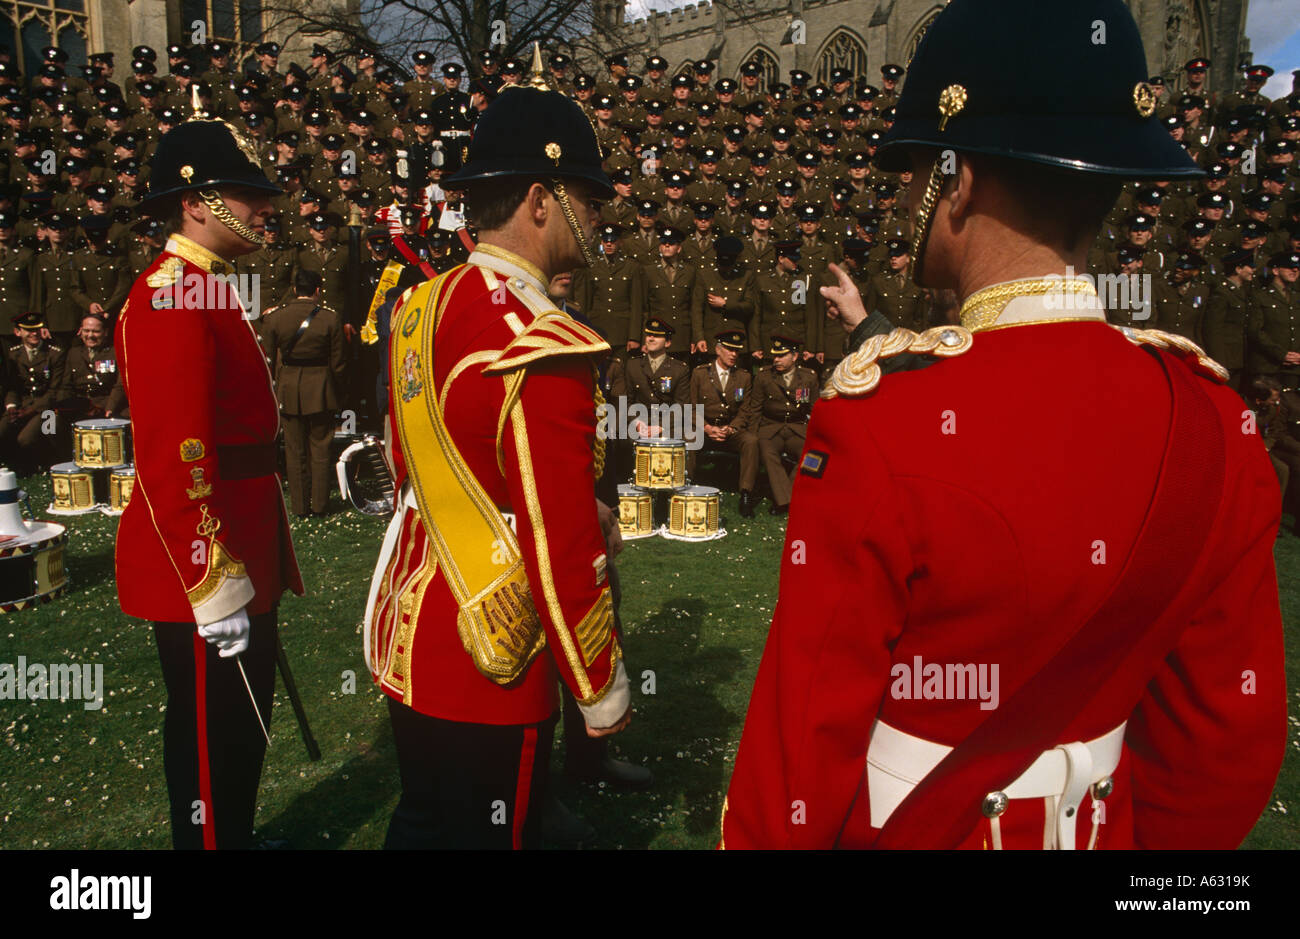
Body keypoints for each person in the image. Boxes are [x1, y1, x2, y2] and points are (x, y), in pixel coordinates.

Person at [722, 0, 1285, 849]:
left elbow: (798, 762)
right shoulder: (1214, 417)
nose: (902, 192)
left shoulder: (883, 420)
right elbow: (1221, 748)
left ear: (960, 180)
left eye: (913, 170)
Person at [363, 71, 633, 850]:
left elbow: (412, 459)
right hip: (496, 648)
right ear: (541, 200)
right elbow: (558, 539)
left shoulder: (421, 304)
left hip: (413, 625)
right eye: (587, 198)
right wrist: (599, 684)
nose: (596, 216)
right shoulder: (542, 342)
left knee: (420, 823)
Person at [114, 111, 304, 849]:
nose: (264, 207)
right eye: (245, 192)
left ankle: (234, 835)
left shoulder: (208, 286)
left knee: (243, 722)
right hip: (203, 557)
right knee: (208, 729)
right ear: (196, 201)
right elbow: (176, 454)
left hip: (241, 536)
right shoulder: (170, 292)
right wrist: (212, 581)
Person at [263, 269, 347, 517]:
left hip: (289, 387)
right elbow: (339, 363)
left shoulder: (275, 318)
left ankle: (300, 507)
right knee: (320, 449)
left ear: (294, 288)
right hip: (320, 387)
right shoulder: (330, 319)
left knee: (294, 450)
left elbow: (267, 359)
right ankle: (320, 505)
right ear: (318, 291)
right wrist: (338, 391)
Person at [739, 334, 818, 515]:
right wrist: (752, 434)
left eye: (781, 356)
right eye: (775, 356)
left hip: (797, 427)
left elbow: (815, 410)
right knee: (768, 454)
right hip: (770, 428)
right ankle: (786, 501)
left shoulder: (809, 377)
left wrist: (816, 435)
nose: (776, 360)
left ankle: (784, 497)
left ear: (795, 356)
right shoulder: (764, 376)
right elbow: (755, 409)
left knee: (811, 455)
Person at [688, 329, 759, 514]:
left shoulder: (744, 376)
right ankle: (686, 487)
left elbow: (745, 409)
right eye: (729, 349)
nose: (734, 354)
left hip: (730, 428)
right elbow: (692, 407)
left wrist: (732, 428)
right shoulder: (700, 373)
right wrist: (706, 427)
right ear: (718, 350)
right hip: (705, 427)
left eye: (737, 350)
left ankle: (745, 493)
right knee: (688, 438)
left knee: (751, 441)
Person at [1, 312, 65, 475]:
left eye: (37, 329)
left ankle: (46, 464)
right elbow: (12, 387)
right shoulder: (13, 354)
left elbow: (54, 392)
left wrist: (29, 411)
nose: (34, 334)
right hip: (22, 405)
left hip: (47, 408)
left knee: (28, 438)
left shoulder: (54, 353)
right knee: (2, 429)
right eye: (28, 330)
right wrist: (11, 407)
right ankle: (16, 466)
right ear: (18, 332)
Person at [57, 313, 125, 420]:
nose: (90, 335)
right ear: (81, 331)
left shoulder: (116, 352)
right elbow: (66, 386)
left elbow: (120, 386)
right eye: (86, 331)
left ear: (105, 332)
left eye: (96, 331)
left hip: (105, 405)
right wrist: (62, 408)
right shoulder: (74, 353)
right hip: (80, 406)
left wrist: (109, 408)